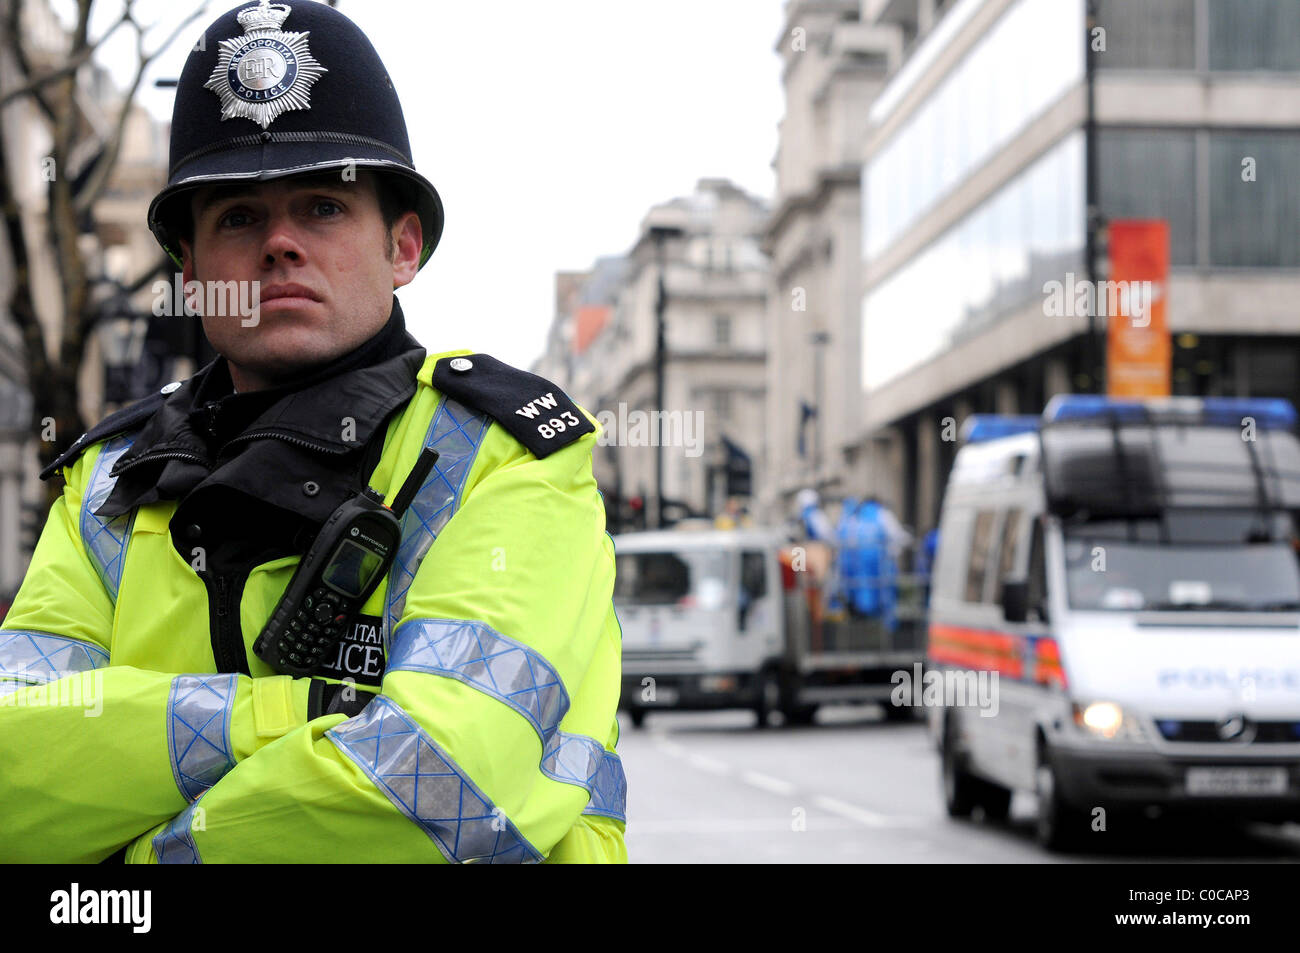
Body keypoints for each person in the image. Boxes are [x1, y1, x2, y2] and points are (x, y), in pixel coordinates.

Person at [0, 0, 625, 864]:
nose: (281, 244)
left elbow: (435, 784)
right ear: (189, 269)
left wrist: (134, 874)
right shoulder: (109, 482)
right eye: (238, 217)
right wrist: (294, 714)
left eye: (324, 207)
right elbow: (11, 773)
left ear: (403, 246)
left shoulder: (508, 460)